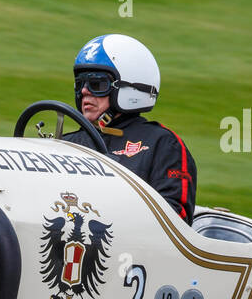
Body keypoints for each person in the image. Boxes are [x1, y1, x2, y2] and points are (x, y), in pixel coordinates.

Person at [62, 34, 196, 222]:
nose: (84, 91)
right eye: (80, 84)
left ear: (129, 88)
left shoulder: (161, 144)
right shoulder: (66, 143)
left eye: (96, 84)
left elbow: (175, 220)